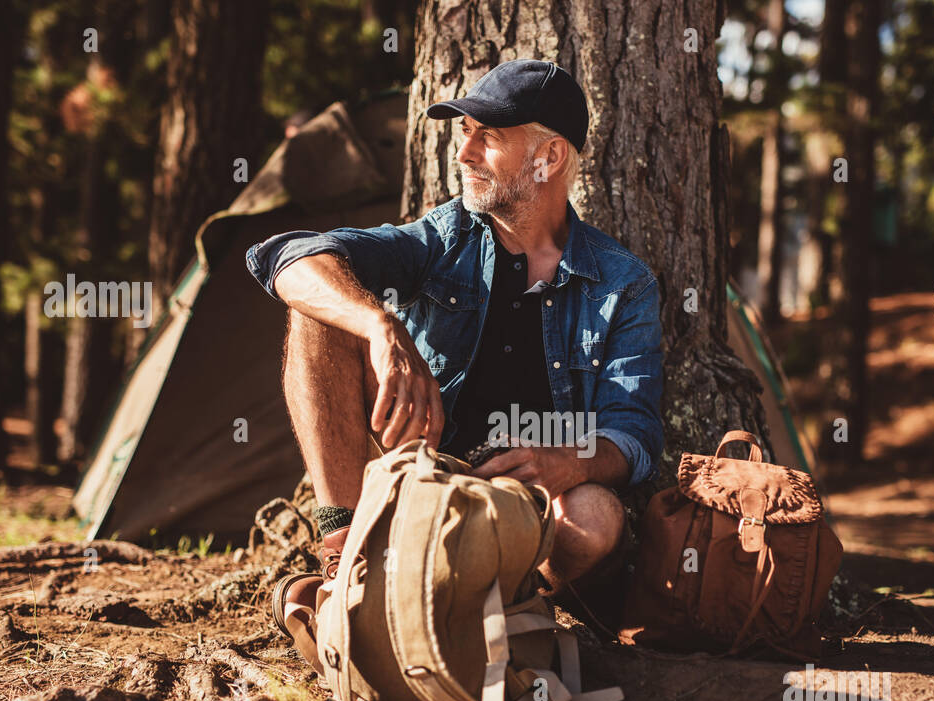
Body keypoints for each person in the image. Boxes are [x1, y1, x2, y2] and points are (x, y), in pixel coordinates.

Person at [244, 59, 663, 648]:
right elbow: (288, 257)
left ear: (550, 159)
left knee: (595, 520)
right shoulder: (445, 236)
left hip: (529, 508)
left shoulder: (625, 283)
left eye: (486, 136)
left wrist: (572, 460)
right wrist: (379, 325)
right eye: (461, 132)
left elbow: (636, 433)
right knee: (320, 311)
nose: (463, 153)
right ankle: (345, 566)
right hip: (418, 482)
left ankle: (502, 610)